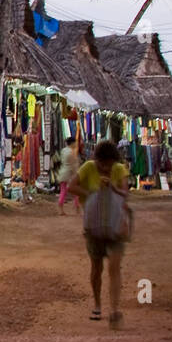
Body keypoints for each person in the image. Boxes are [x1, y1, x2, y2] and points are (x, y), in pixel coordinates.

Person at [66, 140, 130, 328]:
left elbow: (125, 193)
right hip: (94, 228)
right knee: (96, 269)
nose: (105, 168)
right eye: (103, 164)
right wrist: (92, 192)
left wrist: (112, 187)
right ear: (98, 160)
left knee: (114, 267)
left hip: (116, 226)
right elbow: (71, 186)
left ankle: (114, 310)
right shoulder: (88, 168)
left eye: (109, 165)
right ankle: (97, 304)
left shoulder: (119, 169)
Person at [57, 135, 82, 215]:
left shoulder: (63, 150)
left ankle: (61, 208)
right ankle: (77, 207)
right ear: (72, 143)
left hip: (63, 172)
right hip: (70, 174)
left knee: (63, 191)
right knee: (75, 191)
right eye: (75, 142)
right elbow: (74, 165)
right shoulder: (72, 152)